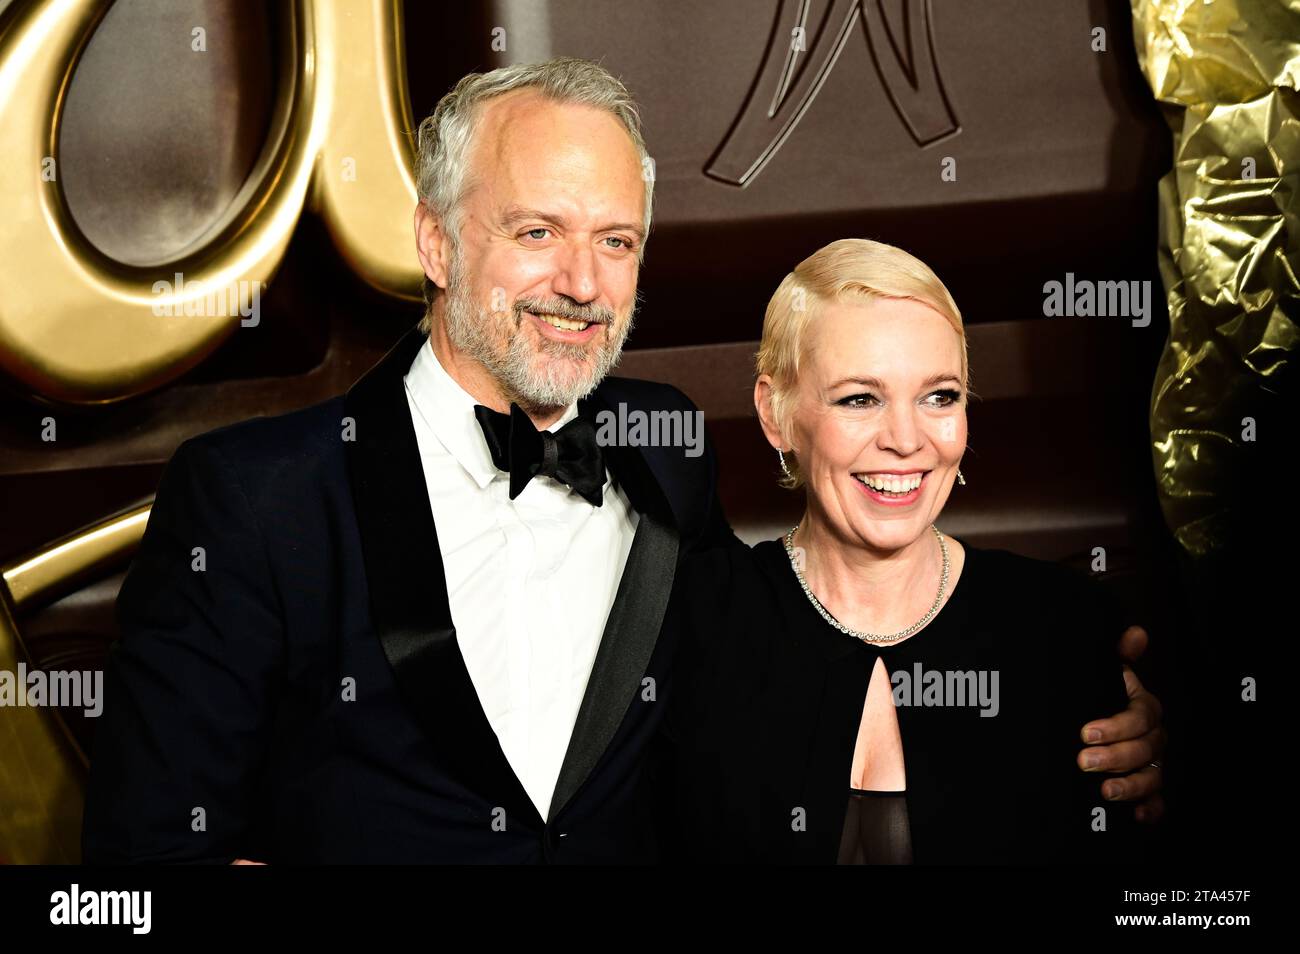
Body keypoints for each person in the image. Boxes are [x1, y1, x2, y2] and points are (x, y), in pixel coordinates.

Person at [81, 59, 1162, 864]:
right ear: (436, 242)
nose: (583, 283)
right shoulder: (254, 494)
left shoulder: (664, 446)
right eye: (536, 232)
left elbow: (791, 675)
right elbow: (135, 868)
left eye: (616, 240)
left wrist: (1111, 726)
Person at [662, 239, 1153, 863]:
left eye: (939, 396)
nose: (905, 440)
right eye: (859, 398)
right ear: (775, 413)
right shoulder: (695, 621)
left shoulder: (1063, 625)